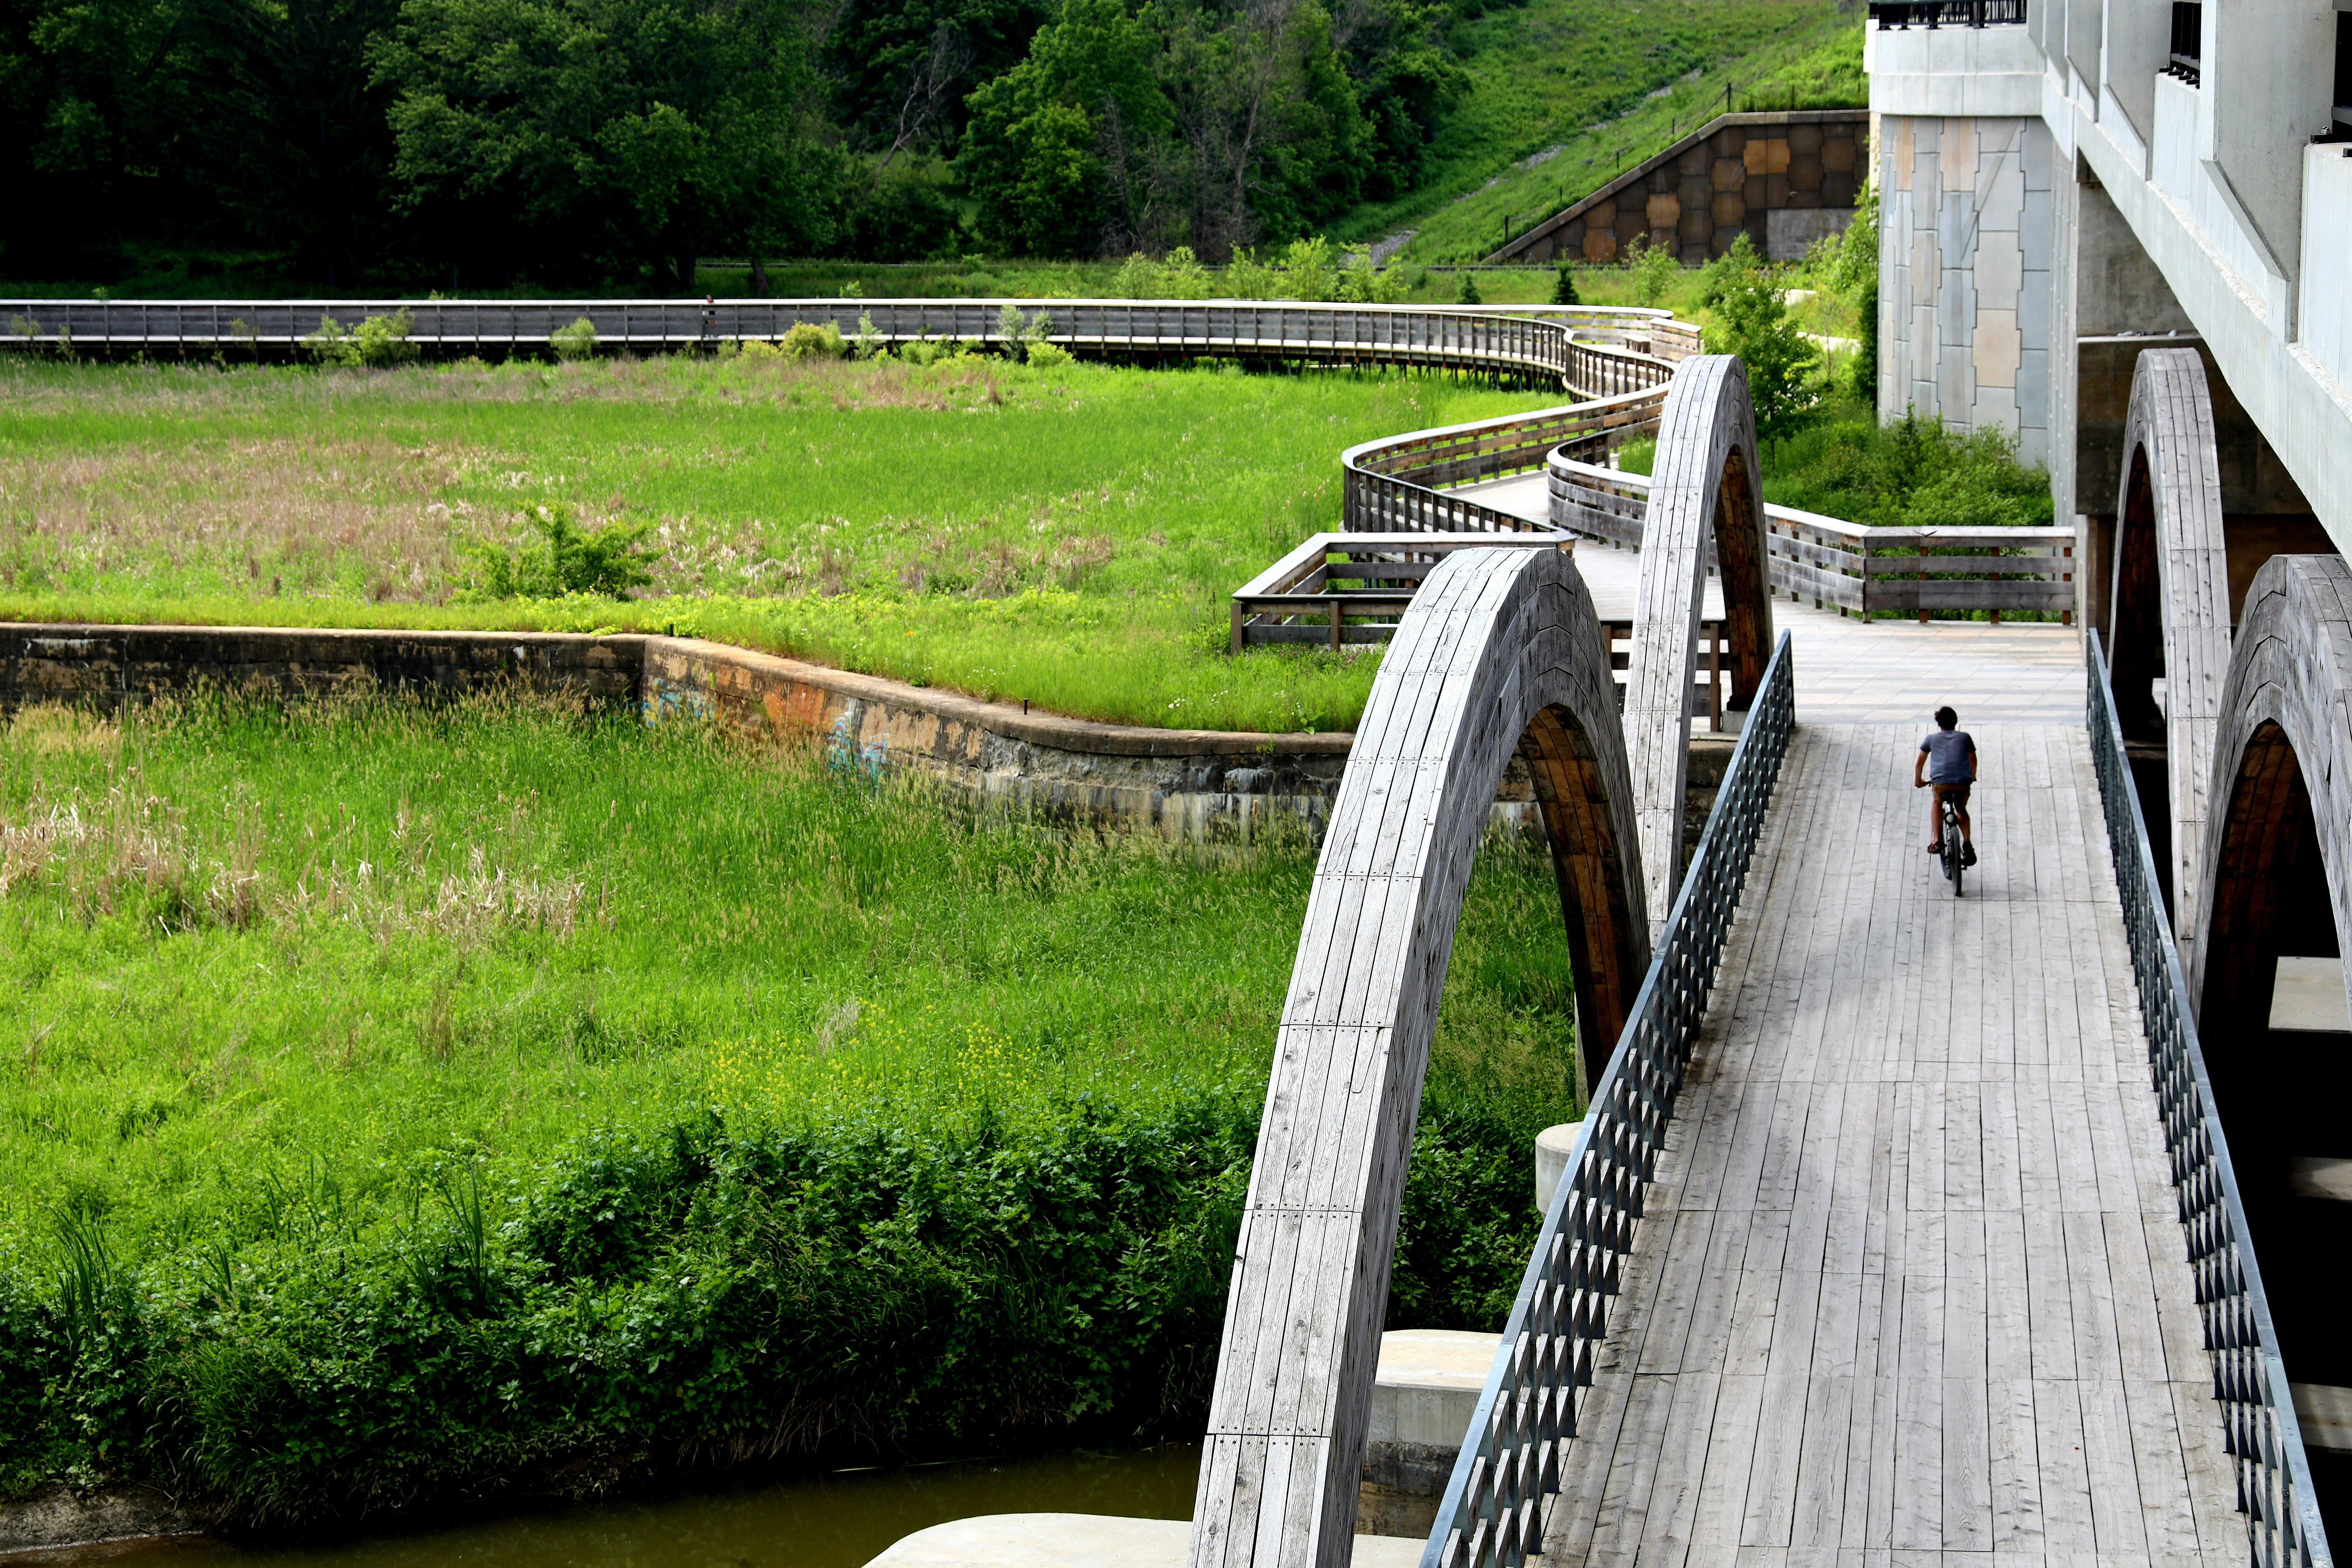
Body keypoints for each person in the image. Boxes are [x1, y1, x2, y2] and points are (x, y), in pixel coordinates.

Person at [1916, 705, 1978, 864]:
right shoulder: (1965, 738)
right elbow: (1973, 760)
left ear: (1939, 724)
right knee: (1961, 809)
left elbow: (1920, 763)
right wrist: (1973, 776)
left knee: (1938, 802)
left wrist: (1919, 781)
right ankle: (1967, 842)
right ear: (1956, 722)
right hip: (1962, 784)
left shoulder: (1931, 739)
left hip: (1941, 784)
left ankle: (1937, 840)